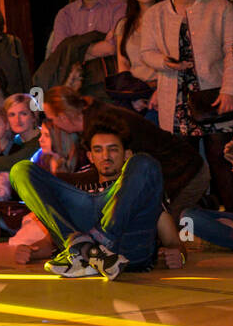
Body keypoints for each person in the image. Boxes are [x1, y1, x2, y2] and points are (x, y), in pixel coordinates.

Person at [39, 85, 208, 269]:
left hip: (184, 173)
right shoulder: (96, 119)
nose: (54, 124)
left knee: (175, 230)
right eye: (98, 151)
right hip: (174, 170)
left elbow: (172, 241)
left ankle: (207, 233)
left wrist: (178, 253)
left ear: (63, 116)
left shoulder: (103, 124)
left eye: (52, 119)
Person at [138, 0, 233, 210]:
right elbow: (146, 52)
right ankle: (187, 227)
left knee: (223, 160)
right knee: (185, 166)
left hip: (215, 95)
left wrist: (230, 90)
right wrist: (165, 62)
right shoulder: (155, 14)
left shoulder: (220, 6)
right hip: (176, 99)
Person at [11, 118, 163, 279]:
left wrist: (179, 252)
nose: (105, 156)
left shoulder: (141, 181)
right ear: (90, 156)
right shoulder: (75, 181)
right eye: (98, 150)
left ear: (127, 154)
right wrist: (33, 252)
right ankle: (86, 249)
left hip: (127, 246)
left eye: (113, 150)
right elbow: (54, 230)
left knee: (145, 162)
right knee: (20, 169)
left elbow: (170, 237)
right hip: (79, 236)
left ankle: (93, 246)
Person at [109, 0, 162, 116]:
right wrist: (133, 94)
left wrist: (160, 90)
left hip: (163, 88)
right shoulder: (124, 24)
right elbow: (123, 63)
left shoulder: (168, 19)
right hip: (135, 91)